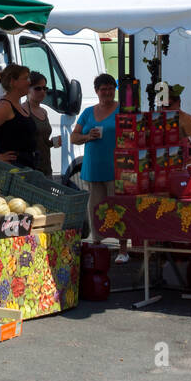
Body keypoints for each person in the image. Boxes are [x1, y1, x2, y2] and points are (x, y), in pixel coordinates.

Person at [71, 74, 124, 255]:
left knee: (119, 210)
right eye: (103, 89)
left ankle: (123, 250)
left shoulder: (122, 110)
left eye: (111, 88)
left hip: (117, 169)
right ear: (96, 91)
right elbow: (74, 137)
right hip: (93, 169)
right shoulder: (87, 112)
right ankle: (97, 247)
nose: (107, 92)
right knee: (96, 210)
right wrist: (87, 137)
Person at [0, 64, 39, 167]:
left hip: (25, 166)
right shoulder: (5, 106)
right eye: (25, 78)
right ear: (13, 82)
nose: (29, 82)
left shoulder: (18, 105)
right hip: (12, 169)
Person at [26, 71, 62, 177]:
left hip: (46, 167)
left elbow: (42, 140)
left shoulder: (44, 111)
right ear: (28, 89)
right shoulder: (24, 110)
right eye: (38, 88)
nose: (42, 91)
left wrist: (52, 142)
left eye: (45, 88)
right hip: (31, 169)